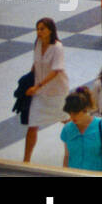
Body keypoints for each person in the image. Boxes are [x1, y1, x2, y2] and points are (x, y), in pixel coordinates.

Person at [24, 17, 69, 162]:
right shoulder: (37, 43)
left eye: (42, 29)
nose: (39, 32)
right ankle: (26, 160)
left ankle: (71, 155)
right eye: (37, 29)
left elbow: (56, 71)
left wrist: (37, 86)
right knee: (32, 125)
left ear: (50, 30)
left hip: (57, 93)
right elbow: (36, 63)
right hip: (40, 93)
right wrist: (29, 79)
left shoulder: (57, 47)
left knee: (68, 123)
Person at [60, 87, 102, 174]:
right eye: (70, 113)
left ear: (84, 110)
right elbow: (67, 156)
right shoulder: (67, 129)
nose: (72, 117)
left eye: (75, 113)